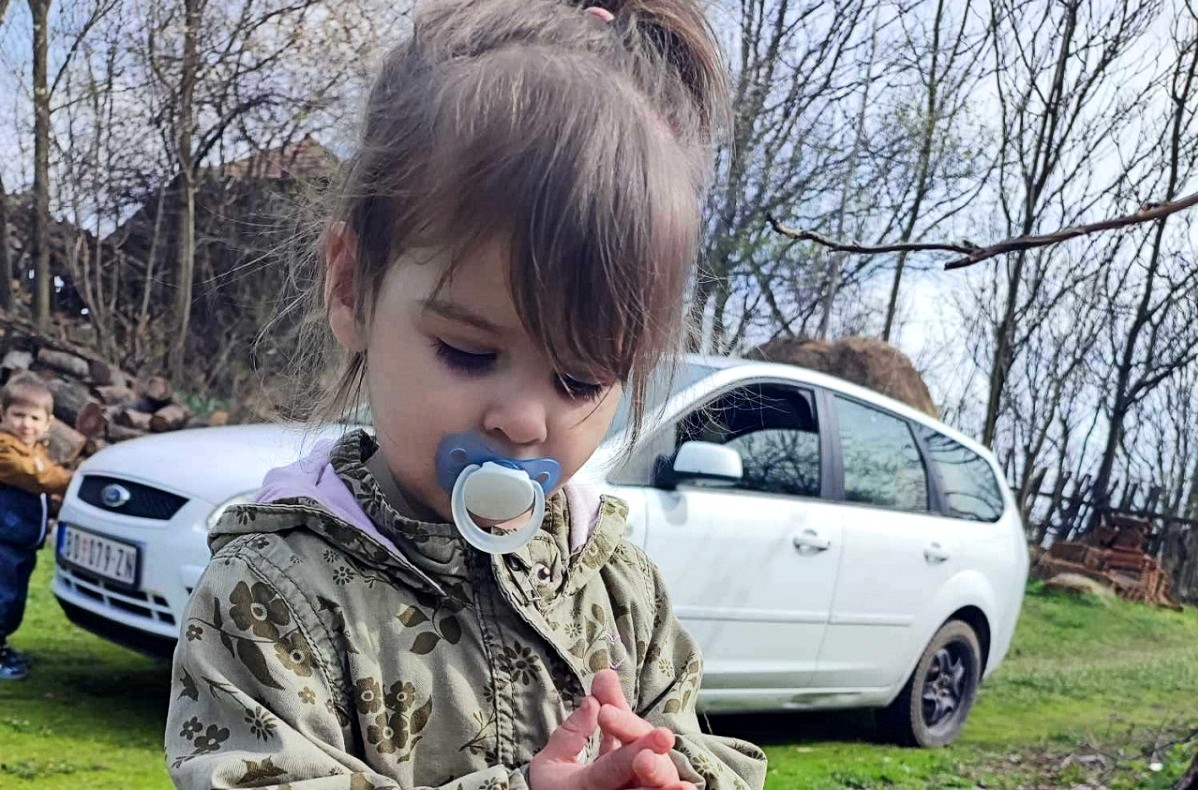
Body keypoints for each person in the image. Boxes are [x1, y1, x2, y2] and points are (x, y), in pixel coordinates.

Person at [165, 0, 767, 787]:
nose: (522, 420)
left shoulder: (620, 591)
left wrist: (665, 774)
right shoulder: (272, 592)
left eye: (581, 378)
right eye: (468, 351)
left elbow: (701, 747)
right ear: (352, 287)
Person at [0, 372, 72, 681]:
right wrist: (74, 481)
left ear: (48, 424)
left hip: (22, 542)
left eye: (33, 417)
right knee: (2, 596)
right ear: (3, 415)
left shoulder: (35, 452)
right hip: (4, 540)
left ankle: (2, 645)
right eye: (18, 415)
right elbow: (36, 478)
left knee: (14, 597)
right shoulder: (5, 450)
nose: (25, 424)